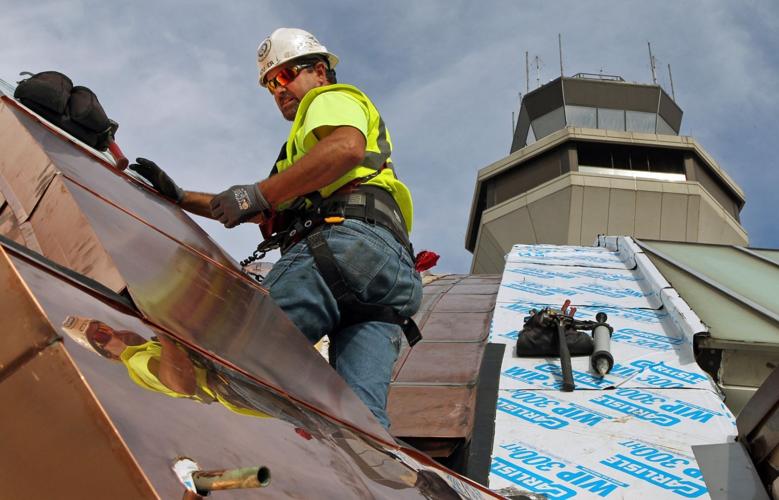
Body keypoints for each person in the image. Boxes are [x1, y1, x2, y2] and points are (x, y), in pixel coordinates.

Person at [128, 28, 422, 429]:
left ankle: (134, 374)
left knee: (229, 358)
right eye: (270, 84)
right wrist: (182, 197)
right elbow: (250, 208)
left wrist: (258, 194)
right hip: (388, 280)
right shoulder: (301, 166)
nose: (279, 90)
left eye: (285, 75)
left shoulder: (329, 98)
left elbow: (345, 148)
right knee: (360, 426)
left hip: (342, 247)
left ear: (320, 72)